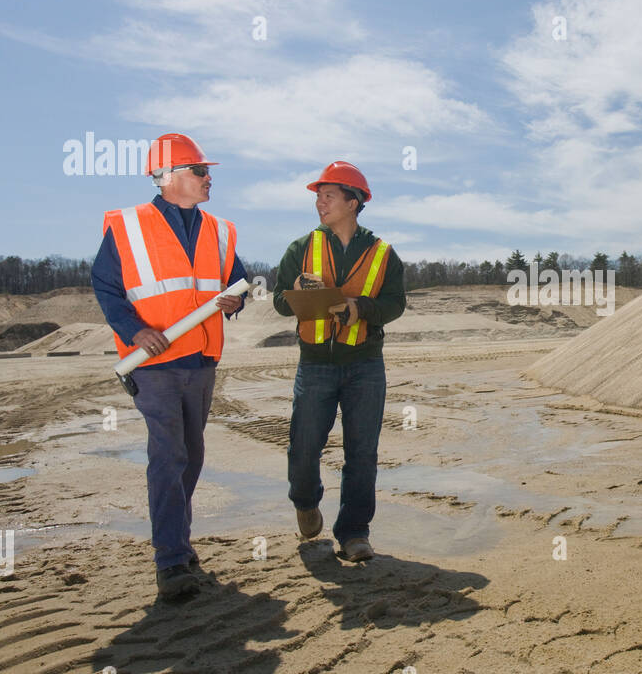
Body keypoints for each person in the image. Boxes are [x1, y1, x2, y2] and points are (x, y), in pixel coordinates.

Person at [92, 133, 247, 600]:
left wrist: (233, 302)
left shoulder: (218, 230)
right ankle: (171, 562)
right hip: (154, 363)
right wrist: (135, 330)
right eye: (200, 171)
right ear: (168, 177)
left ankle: (178, 543)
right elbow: (106, 286)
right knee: (170, 454)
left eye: (206, 171)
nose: (208, 178)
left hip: (200, 358)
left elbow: (237, 282)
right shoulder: (128, 225)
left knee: (191, 455)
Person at [272, 161, 406, 562]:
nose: (319, 202)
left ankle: (354, 533)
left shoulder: (383, 253)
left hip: (365, 364)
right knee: (305, 444)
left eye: (328, 195)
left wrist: (360, 308)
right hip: (314, 364)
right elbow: (281, 302)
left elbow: (395, 303)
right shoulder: (301, 248)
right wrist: (293, 290)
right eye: (317, 196)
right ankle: (305, 500)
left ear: (353, 201)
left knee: (362, 452)